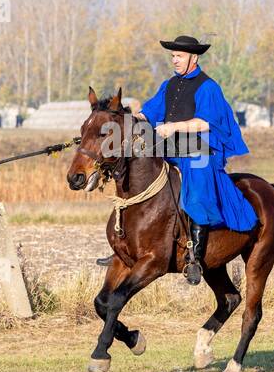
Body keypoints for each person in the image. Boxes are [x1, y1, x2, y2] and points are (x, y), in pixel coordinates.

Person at [98, 34, 257, 284]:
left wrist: (174, 127)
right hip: (172, 148)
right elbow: (148, 112)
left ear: (193, 57)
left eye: (179, 56)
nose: (174, 60)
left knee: (195, 194)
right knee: (138, 174)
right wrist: (125, 118)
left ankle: (194, 257)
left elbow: (207, 122)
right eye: (173, 56)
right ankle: (126, 248)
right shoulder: (169, 84)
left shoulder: (208, 88)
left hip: (200, 151)